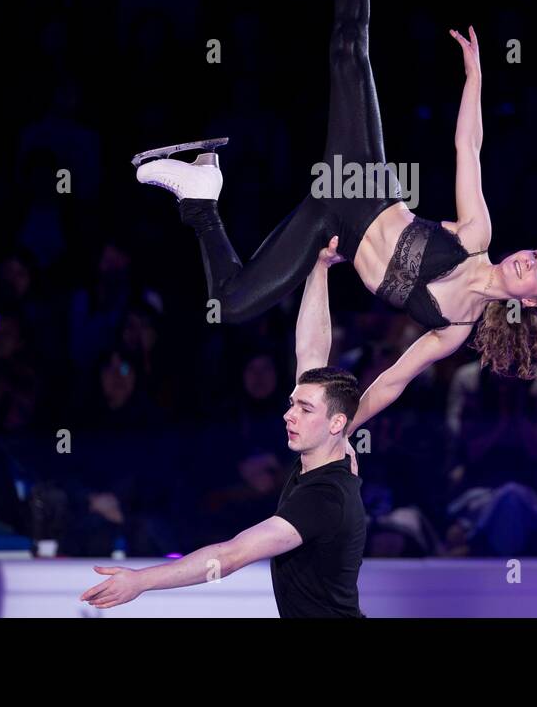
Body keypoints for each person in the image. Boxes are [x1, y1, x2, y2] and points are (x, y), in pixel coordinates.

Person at [135, 0, 537, 428]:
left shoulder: (453, 330)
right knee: (350, 54)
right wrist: (474, 78)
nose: (527, 261)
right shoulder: (478, 234)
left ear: (533, 301)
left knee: (232, 304)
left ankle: (200, 195)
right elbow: (466, 147)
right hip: (362, 186)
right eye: (535, 255)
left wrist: (340, 433)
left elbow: (390, 382)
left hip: (329, 224)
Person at [80, 237, 367, 616]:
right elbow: (311, 353)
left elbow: (229, 556)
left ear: (336, 424)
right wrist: (319, 269)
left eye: (303, 409)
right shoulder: (335, 452)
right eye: (291, 403)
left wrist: (140, 581)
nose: (288, 414)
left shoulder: (324, 499)